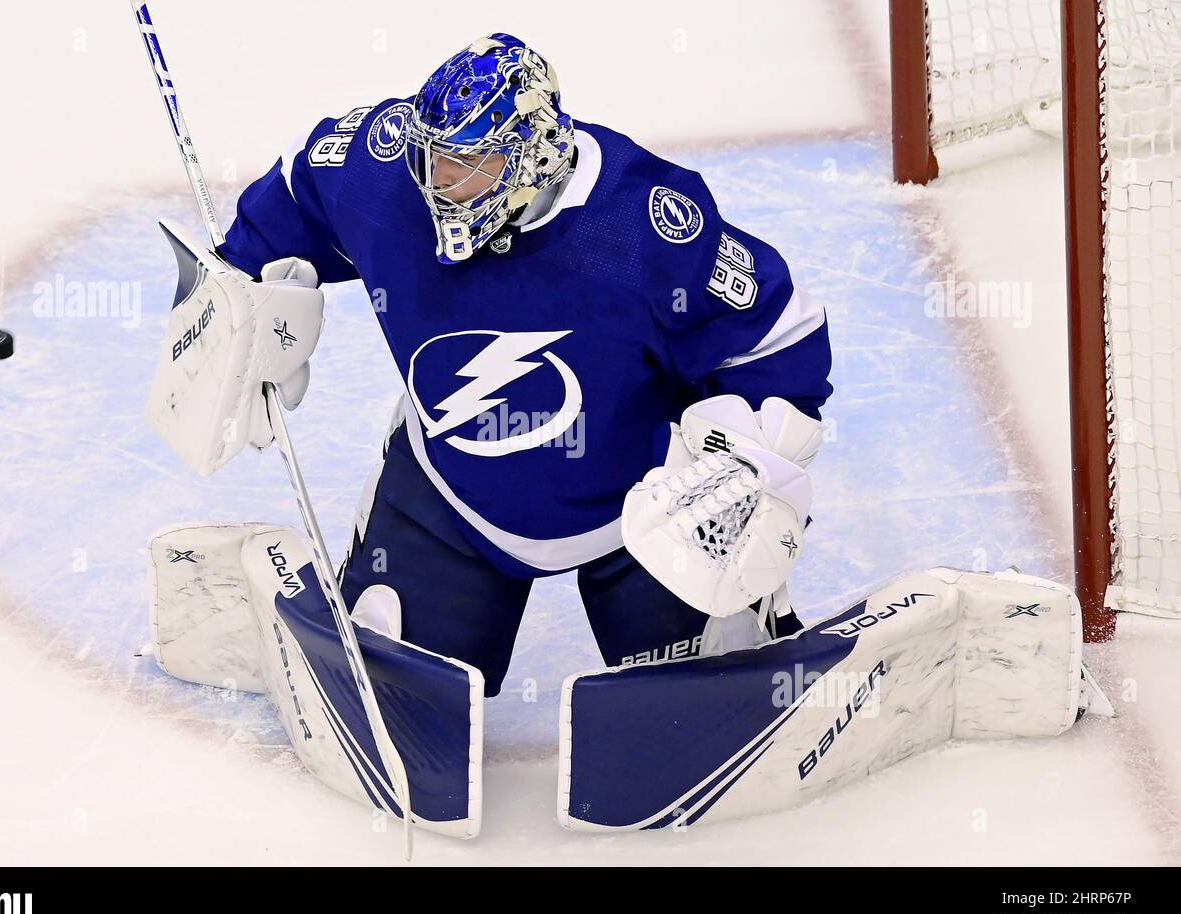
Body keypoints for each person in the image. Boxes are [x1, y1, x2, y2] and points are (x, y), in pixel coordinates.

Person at [215, 33, 833, 695]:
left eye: (469, 163)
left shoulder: (643, 228)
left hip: (644, 507)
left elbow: (777, 333)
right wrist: (236, 297)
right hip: (451, 495)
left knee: (699, 693)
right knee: (401, 692)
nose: (437, 183)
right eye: (432, 158)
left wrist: (744, 455)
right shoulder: (386, 170)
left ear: (532, 154)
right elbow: (300, 186)